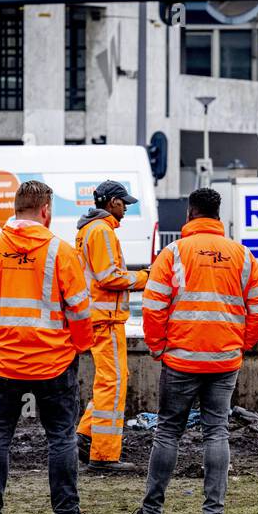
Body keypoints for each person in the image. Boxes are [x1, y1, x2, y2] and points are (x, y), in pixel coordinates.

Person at [122, 187, 258, 514]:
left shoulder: (173, 254)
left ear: (189, 214)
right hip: (224, 361)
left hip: (181, 360)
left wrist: (158, 346)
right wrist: (240, 344)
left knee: (168, 432)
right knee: (216, 432)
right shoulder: (241, 255)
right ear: (218, 216)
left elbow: (153, 306)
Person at [0, 180, 98, 514]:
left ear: (15, 207)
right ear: (46, 211)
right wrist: (80, 345)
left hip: (5, 362)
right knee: (61, 438)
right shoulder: (62, 252)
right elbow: (81, 313)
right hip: (53, 363)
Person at [74, 180, 149, 474]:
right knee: (113, 382)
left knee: (111, 379)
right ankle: (103, 456)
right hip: (105, 320)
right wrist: (145, 278)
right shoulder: (101, 230)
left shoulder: (89, 230)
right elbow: (109, 277)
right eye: (123, 202)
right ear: (111, 202)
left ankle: (86, 435)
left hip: (96, 318)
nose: (126, 208)